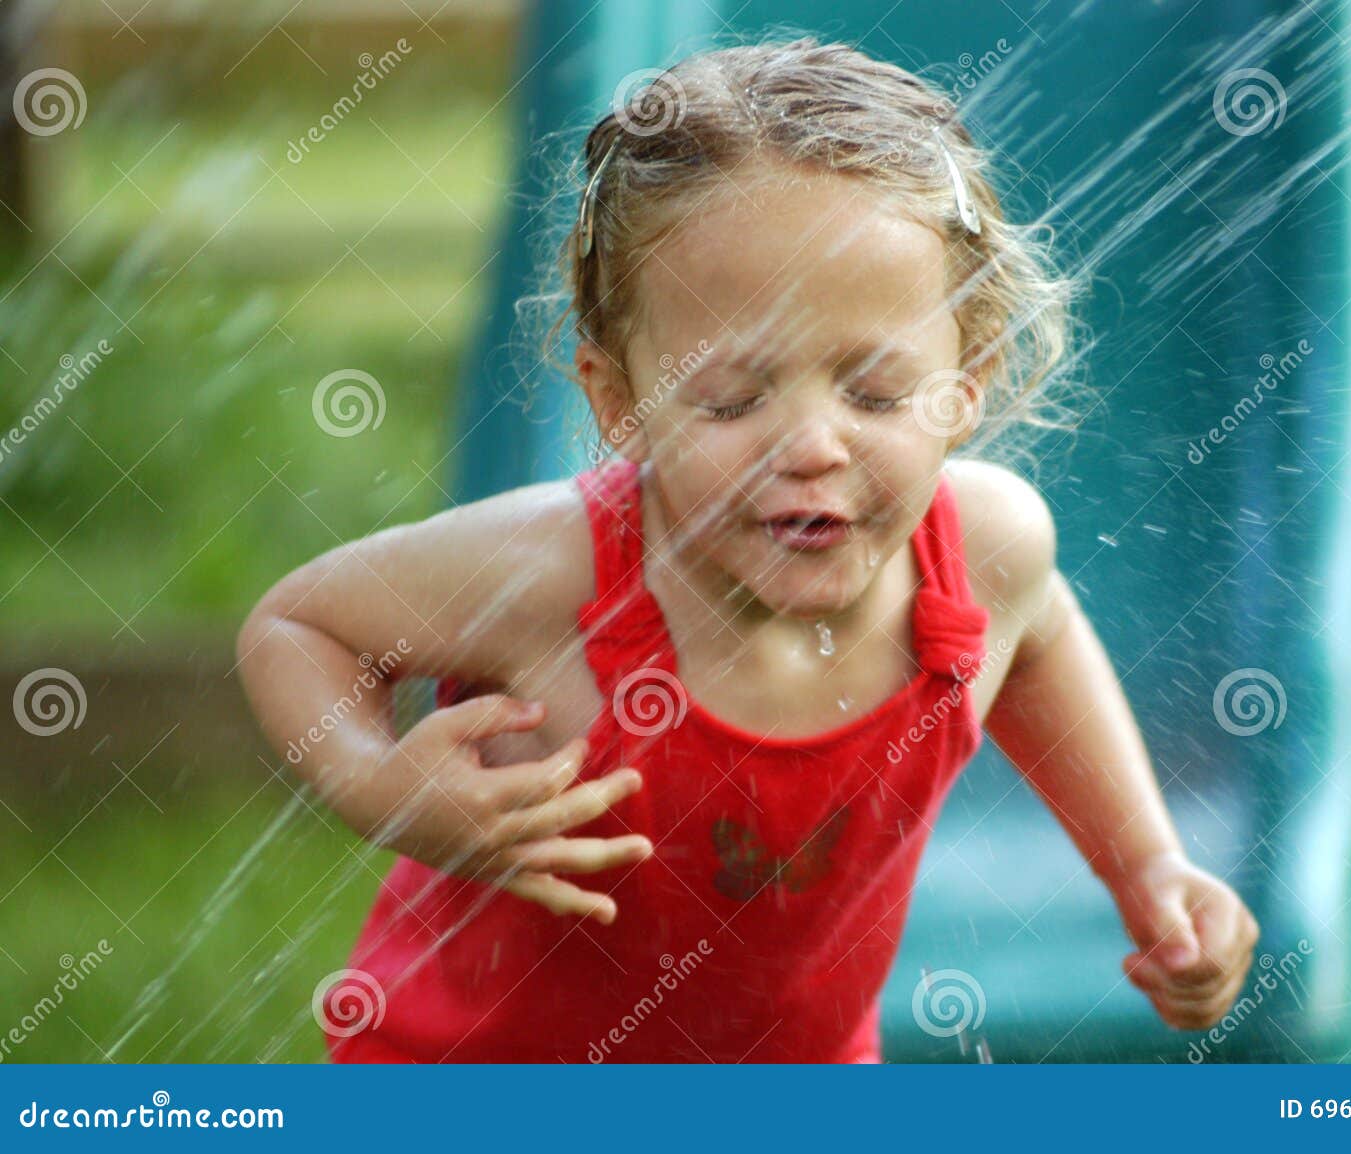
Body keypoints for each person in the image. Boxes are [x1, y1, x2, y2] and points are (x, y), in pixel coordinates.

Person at [235, 38, 1259, 1063]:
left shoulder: (990, 550)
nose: (810, 445)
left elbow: (1036, 641)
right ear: (620, 401)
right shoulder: (551, 574)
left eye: (875, 394)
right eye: (731, 400)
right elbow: (299, 624)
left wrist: (1145, 866)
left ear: (966, 384)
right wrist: (381, 787)